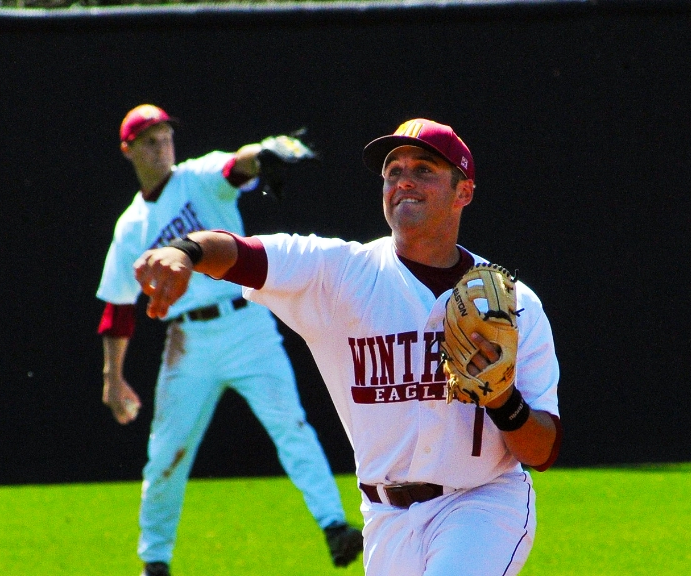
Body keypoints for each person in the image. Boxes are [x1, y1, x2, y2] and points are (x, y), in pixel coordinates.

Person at [132, 118, 562, 575]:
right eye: (393, 171)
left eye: (424, 169)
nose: (403, 181)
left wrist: (504, 402)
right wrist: (184, 252)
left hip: (483, 506)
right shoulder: (341, 275)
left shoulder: (513, 305)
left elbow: (543, 452)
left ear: (464, 192)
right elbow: (245, 254)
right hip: (385, 517)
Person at [96, 104, 362, 576]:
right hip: (187, 341)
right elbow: (117, 309)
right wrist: (112, 378)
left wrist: (263, 155)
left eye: (165, 136)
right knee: (165, 455)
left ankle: (335, 527)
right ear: (128, 149)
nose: (161, 146)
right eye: (150, 140)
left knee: (292, 427)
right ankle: (154, 561)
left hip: (247, 324)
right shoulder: (131, 226)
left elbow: (234, 166)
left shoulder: (195, 178)